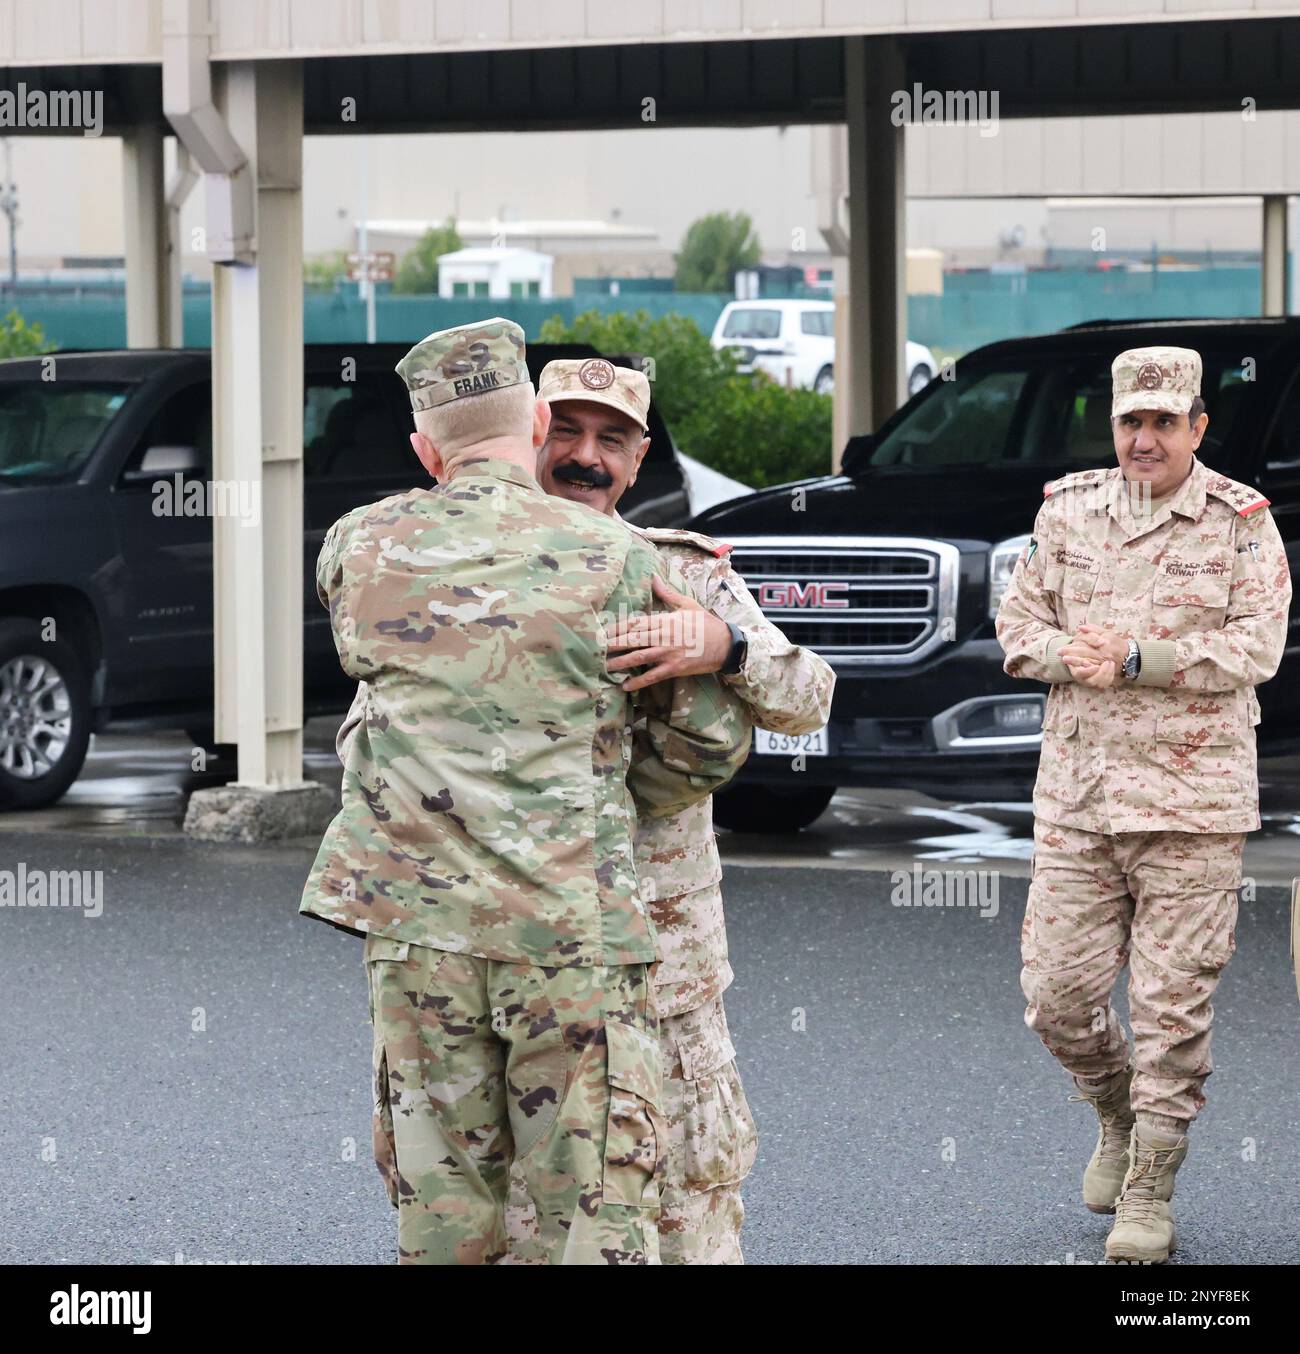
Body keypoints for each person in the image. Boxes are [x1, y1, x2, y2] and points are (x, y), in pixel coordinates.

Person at [298, 319, 751, 1266]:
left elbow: (374, 667)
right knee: (588, 1208)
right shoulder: (620, 559)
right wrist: (600, 794)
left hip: (417, 934)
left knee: (442, 1206)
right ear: (539, 420)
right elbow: (705, 748)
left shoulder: (356, 547)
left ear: (424, 449)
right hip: (568, 931)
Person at [522, 355, 835, 1262]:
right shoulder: (470, 580)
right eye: (566, 433)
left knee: (687, 1211)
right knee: (529, 1220)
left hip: (665, 970)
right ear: (528, 436)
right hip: (519, 972)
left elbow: (809, 696)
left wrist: (723, 645)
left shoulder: (682, 573)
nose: (585, 457)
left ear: (639, 456)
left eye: (610, 440)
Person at [996, 345, 1291, 1263]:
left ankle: (1152, 1187)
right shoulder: (1067, 511)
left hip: (1193, 808)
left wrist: (1141, 661)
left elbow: (1260, 646)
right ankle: (1116, 1114)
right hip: (1080, 801)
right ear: (1114, 425)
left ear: (1198, 427)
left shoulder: (1243, 523)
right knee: (1056, 999)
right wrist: (1065, 657)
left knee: (1171, 1010)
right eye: (1132, 420)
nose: (1146, 437)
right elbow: (1017, 623)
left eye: (1166, 421)